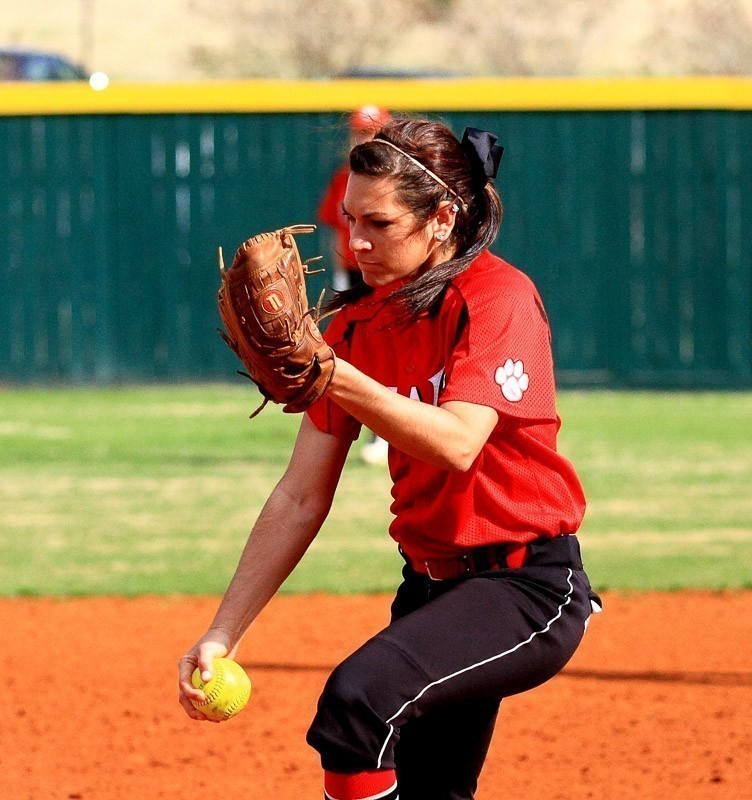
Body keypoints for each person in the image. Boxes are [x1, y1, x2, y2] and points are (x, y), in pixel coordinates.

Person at [179, 117, 602, 800]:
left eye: (378, 222)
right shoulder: (353, 328)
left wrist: (333, 373)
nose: (356, 241)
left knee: (358, 703)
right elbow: (299, 497)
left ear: (441, 219)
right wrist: (223, 631)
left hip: (525, 589)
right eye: (349, 221)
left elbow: (458, 442)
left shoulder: (498, 299)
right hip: (429, 589)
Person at [317, 104, 392, 466]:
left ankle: (389, 432)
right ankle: (368, 430)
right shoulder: (342, 178)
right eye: (360, 132)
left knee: (390, 351)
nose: (365, 138)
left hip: (390, 274)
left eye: (372, 131)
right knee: (361, 354)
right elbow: (335, 229)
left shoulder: (399, 179)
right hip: (354, 275)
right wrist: (339, 279)